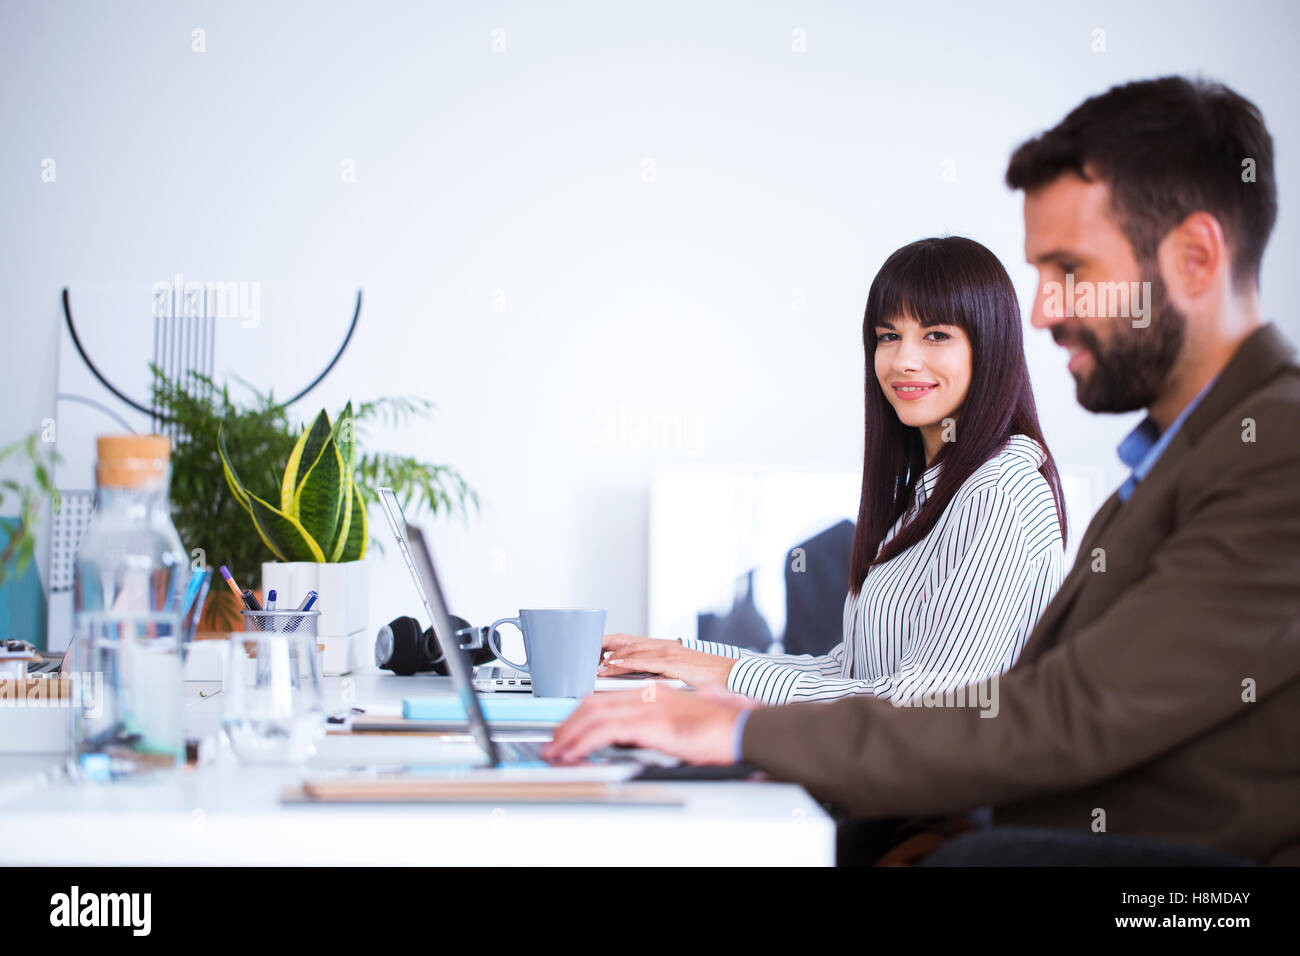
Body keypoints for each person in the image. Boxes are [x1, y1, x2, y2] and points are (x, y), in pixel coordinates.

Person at [543, 76, 1300, 866]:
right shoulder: (1176, 456)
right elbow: (1000, 700)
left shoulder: (1274, 449)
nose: (1040, 312)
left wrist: (735, 724)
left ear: (1195, 257)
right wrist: (712, 677)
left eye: (1069, 269)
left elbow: (1066, 710)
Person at [599, 236, 1067, 706]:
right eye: (889, 336)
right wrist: (683, 656)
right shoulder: (934, 493)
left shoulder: (998, 489)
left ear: (992, 347)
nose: (903, 360)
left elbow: (930, 705)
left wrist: (723, 672)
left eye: (936, 335)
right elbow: (852, 670)